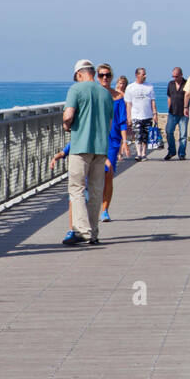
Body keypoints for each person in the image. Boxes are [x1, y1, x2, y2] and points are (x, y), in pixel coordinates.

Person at [63, 59, 114, 245]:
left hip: (80, 147)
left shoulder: (75, 90)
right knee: (96, 190)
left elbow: (68, 115)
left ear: (79, 74)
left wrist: (66, 125)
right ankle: (93, 233)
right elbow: (109, 123)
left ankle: (82, 230)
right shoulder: (106, 93)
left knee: (76, 189)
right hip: (100, 148)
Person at [97, 66, 129, 222]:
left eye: (107, 75)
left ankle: (105, 210)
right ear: (97, 77)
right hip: (95, 139)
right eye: (101, 75)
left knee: (108, 174)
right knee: (95, 175)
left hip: (113, 140)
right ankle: (93, 205)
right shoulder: (94, 95)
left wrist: (125, 142)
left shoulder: (118, 97)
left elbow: (122, 121)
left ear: (111, 77)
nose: (105, 78)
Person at [123, 67, 158, 161]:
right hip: (136, 115)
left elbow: (152, 101)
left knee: (145, 136)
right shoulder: (130, 87)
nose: (144, 76)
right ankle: (138, 153)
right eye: (143, 74)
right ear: (137, 75)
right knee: (138, 135)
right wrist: (129, 116)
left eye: (145, 74)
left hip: (147, 115)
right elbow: (128, 104)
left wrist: (155, 113)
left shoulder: (149, 87)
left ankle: (143, 153)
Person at [164, 67, 188, 160]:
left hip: (183, 114)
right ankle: (171, 151)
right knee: (169, 132)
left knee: (183, 135)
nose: (175, 78)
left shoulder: (187, 83)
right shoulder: (170, 84)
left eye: (176, 76)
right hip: (172, 113)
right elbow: (169, 97)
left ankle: (181, 154)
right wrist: (168, 108)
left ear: (181, 75)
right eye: (173, 76)